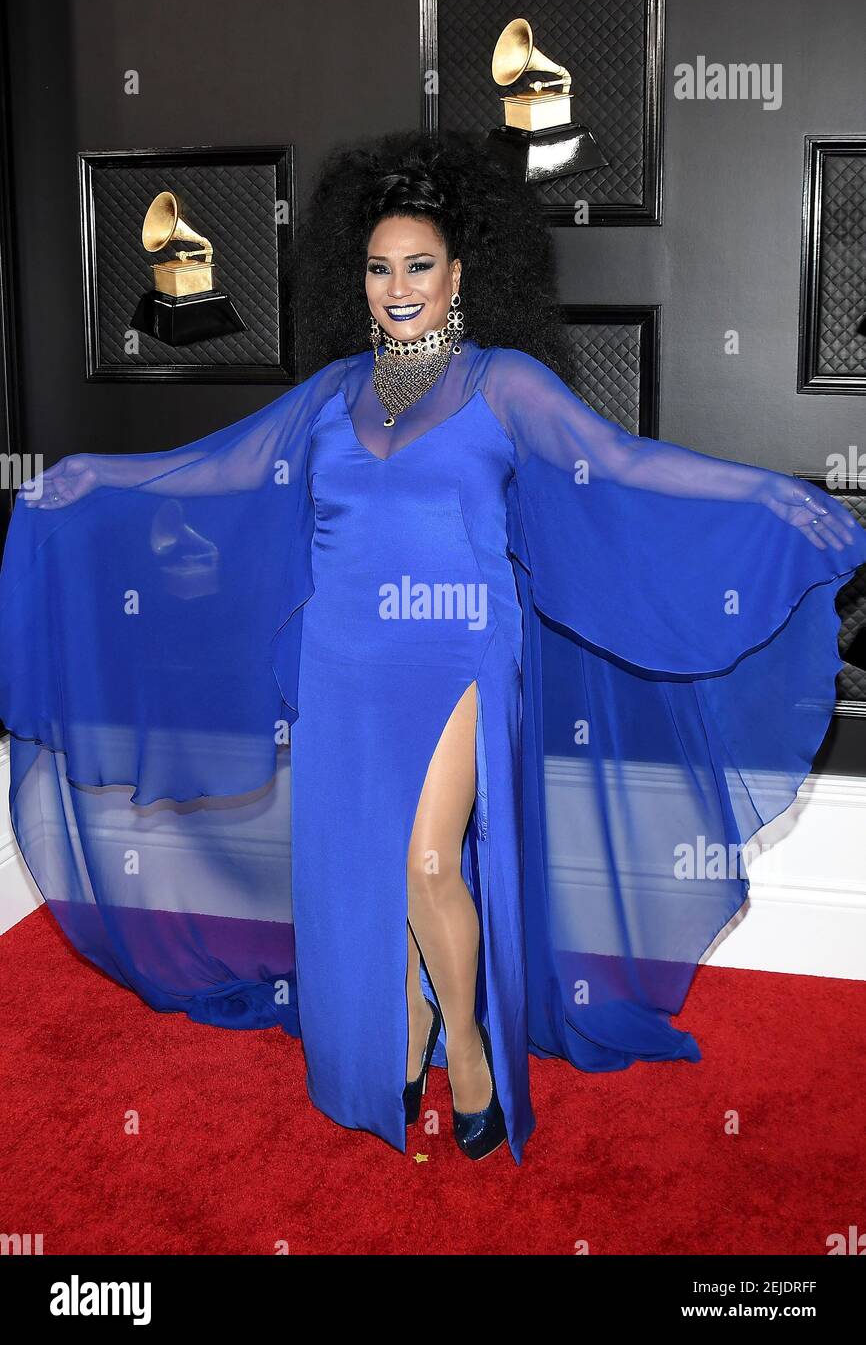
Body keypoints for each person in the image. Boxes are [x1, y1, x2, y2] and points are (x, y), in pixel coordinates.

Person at [2, 129, 864, 1166]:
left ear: (459, 274)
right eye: (378, 267)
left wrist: (779, 494)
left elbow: (620, 463)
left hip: (459, 651)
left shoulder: (504, 384)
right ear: (355, 278)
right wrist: (82, 481)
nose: (397, 287)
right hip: (341, 661)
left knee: (424, 859)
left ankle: (465, 1047)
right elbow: (209, 471)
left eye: (418, 265)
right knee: (371, 867)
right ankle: (398, 1033)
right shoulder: (328, 396)